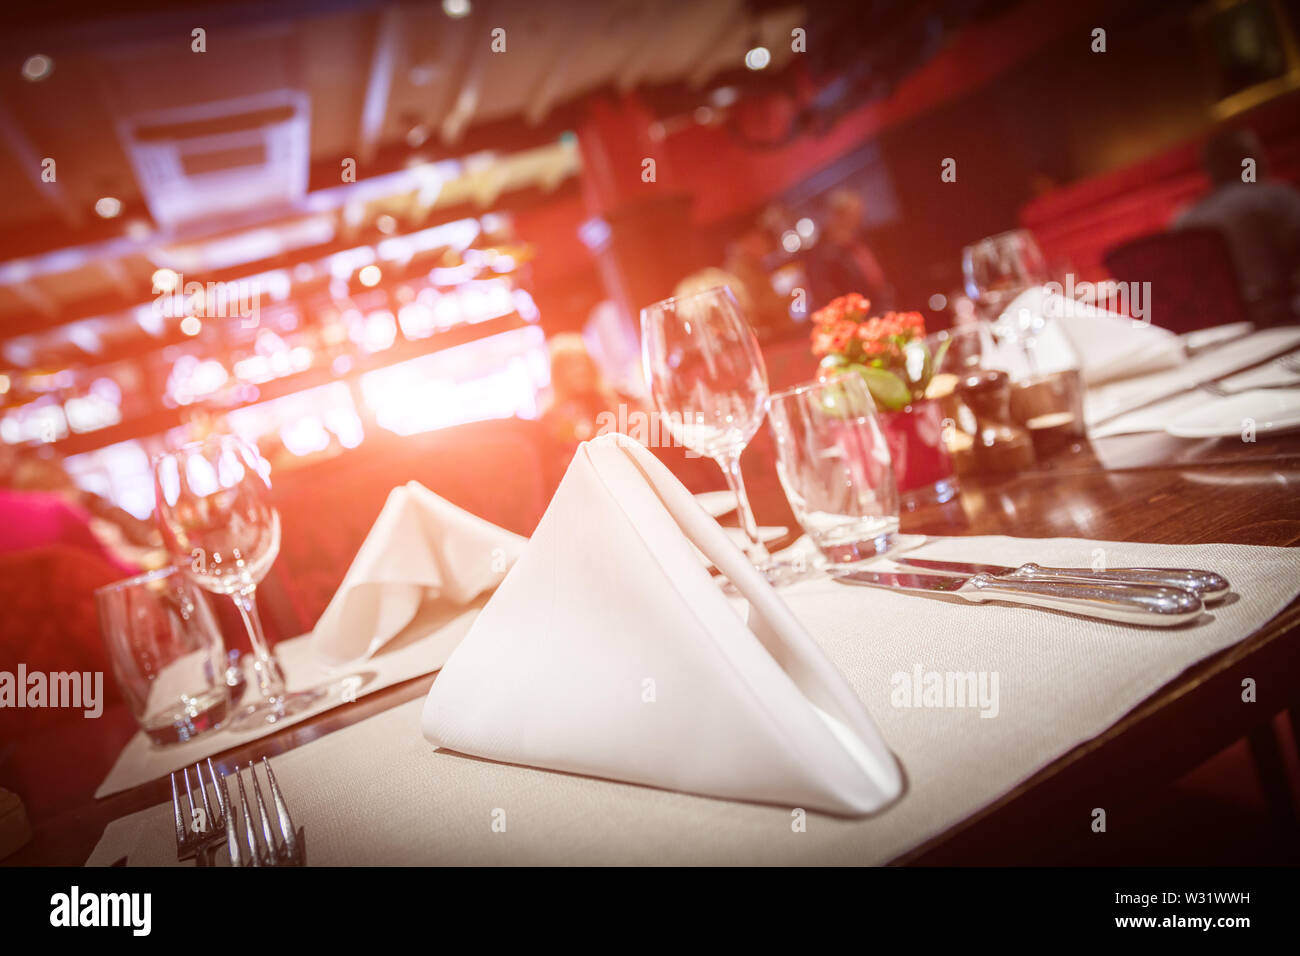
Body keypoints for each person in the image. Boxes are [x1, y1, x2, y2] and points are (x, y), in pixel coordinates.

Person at [1172, 127, 1300, 326]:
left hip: (1220, 327)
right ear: (1251, 159)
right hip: (1280, 316)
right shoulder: (1273, 197)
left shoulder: (1182, 220)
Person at [806, 188, 895, 311]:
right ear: (839, 215)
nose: (860, 217)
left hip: (884, 306)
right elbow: (826, 296)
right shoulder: (823, 254)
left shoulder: (861, 239)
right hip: (861, 316)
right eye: (854, 213)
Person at [540, 333, 626, 446]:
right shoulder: (552, 417)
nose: (580, 370)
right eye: (570, 365)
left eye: (582, 362)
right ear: (558, 373)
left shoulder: (612, 399)